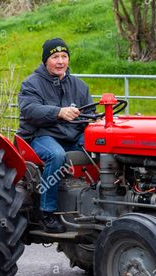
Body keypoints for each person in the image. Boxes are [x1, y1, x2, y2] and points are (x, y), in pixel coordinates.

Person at [17, 38, 93, 233]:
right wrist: (58, 112)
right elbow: (30, 110)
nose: (61, 61)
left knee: (100, 144)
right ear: (45, 61)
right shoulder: (31, 84)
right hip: (40, 136)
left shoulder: (79, 86)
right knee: (56, 155)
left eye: (64, 56)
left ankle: (97, 203)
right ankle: (47, 212)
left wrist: (93, 121)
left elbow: (90, 113)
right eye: (55, 57)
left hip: (71, 136)